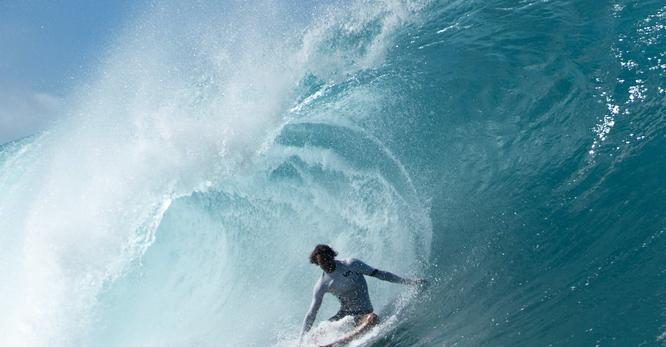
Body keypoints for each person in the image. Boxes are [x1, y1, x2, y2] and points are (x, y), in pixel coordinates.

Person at [300, 244, 426, 342]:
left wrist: (409, 282)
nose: (326, 264)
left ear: (332, 256)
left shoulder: (351, 264)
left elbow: (381, 274)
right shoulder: (322, 285)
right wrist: (301, 341)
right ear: (318, 264)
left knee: (373, 318)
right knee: (317, 332)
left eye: (328, 259)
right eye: (322, 263)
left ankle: (341, 342)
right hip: (344, 316)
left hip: (363, 314)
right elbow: (312, 313)